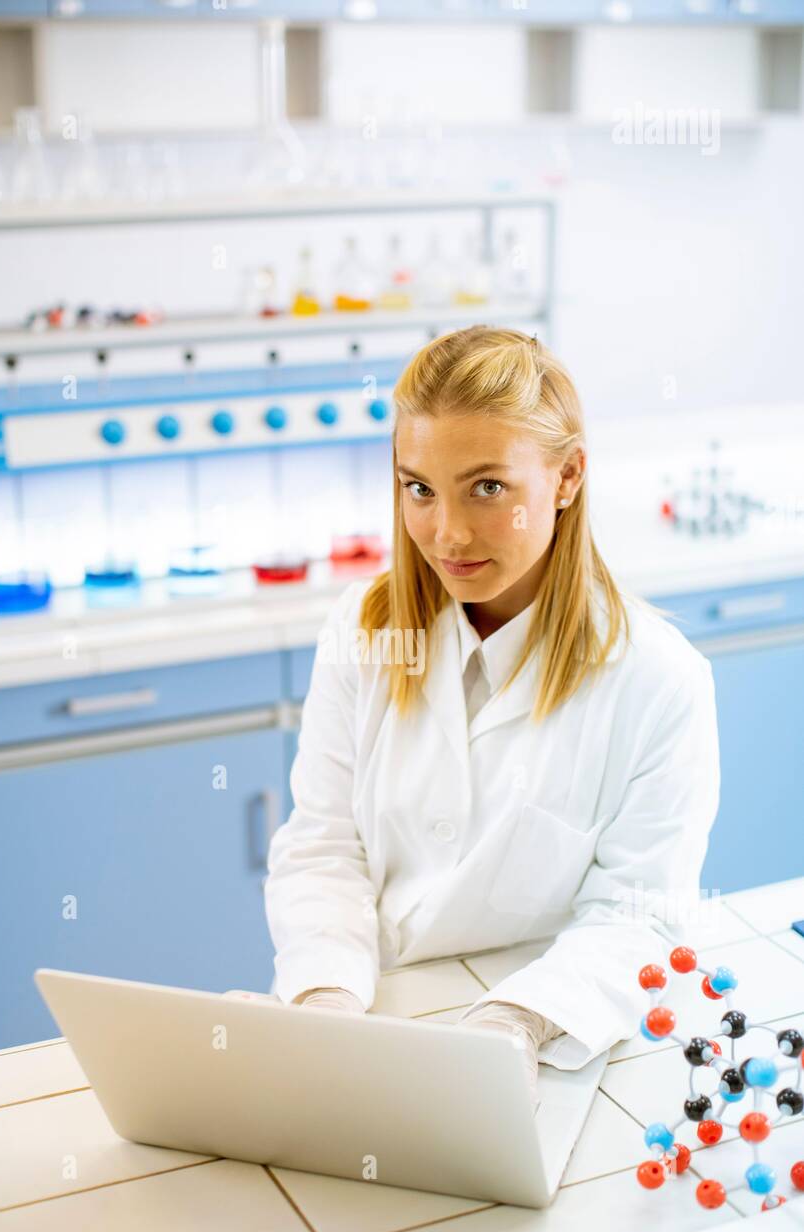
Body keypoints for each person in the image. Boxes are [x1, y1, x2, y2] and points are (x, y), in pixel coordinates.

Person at [260, 325, 721, 1106]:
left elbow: (637, 912)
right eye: (419, 488)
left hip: (553, 1041)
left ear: (568, 477)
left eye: (487, 488)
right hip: (376, 1016)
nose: (447, 533)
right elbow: (324, 848)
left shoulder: (658, 678)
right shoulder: (367, 630)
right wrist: (324, 1001)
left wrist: (513, 1022)